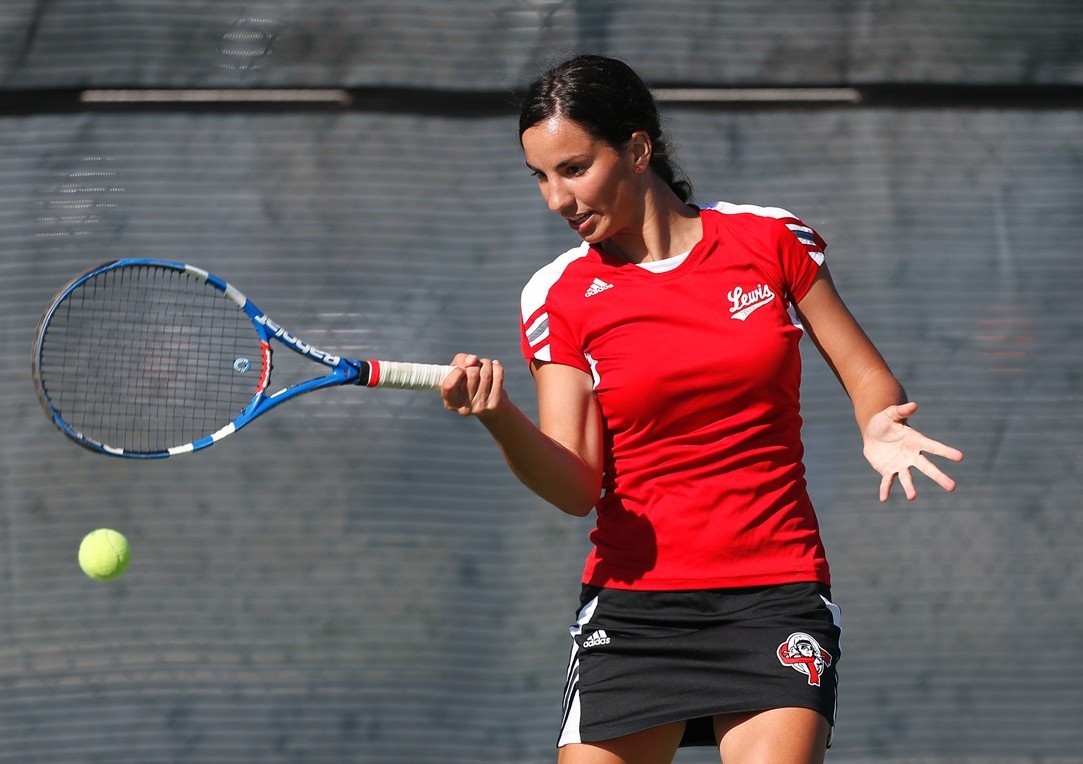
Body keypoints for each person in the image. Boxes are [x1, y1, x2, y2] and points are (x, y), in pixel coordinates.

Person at [440, 54, 963, 764]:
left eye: (572, 167)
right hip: (633, 612)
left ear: (635, 149)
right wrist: (498, 416)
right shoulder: (556, 295)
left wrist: (876, 421)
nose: (557, 198)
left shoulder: (769, 241)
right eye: (539, 177)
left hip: (773, 595)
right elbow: (574, 487)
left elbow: (865, 374)